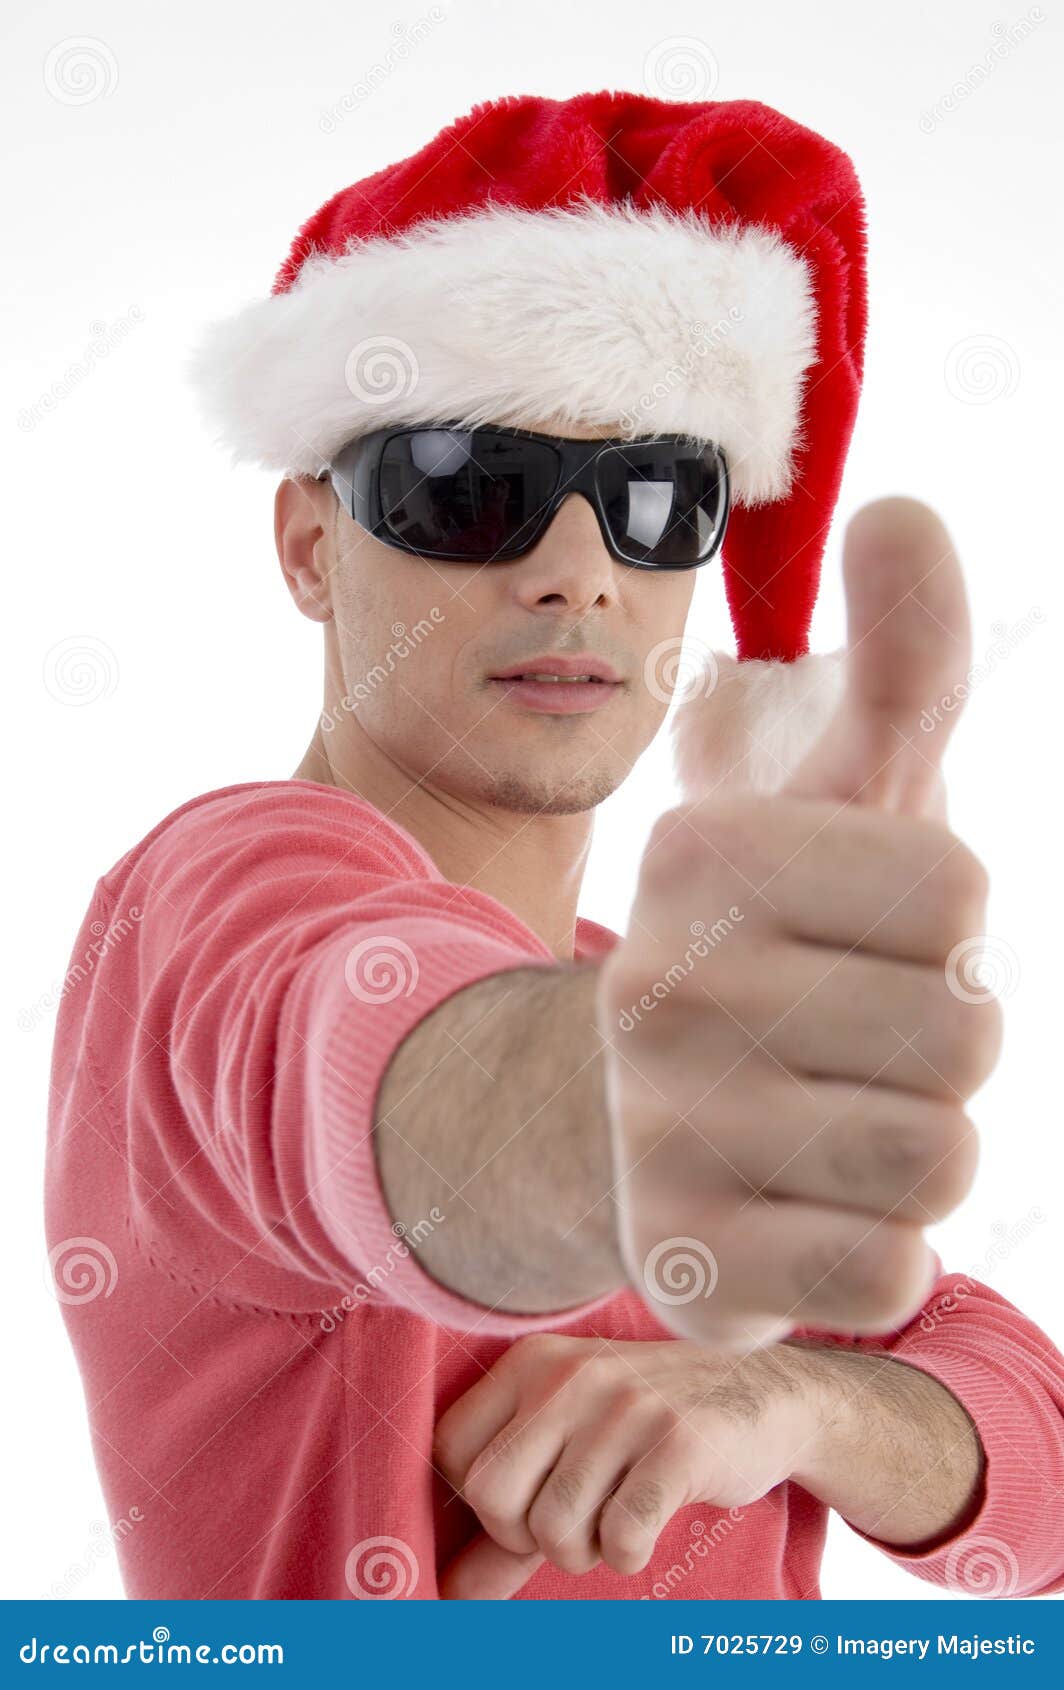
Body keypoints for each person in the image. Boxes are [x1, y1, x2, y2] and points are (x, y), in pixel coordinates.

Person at [46, 90, 1064, 1601]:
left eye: (657, 500)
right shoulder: (216, 901)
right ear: (312, 547)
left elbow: (1032, 1462)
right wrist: (662, 1108)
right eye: (468, 488)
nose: (578, 574)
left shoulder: (649, 997)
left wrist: (790, 1400)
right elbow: (391, 1096)